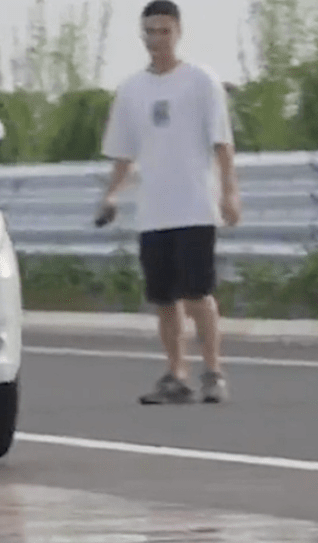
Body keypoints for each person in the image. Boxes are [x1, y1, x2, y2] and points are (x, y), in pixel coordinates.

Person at [97, 0, 241, 404]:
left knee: (198, 293)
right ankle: (176, 374)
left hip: (194, 204)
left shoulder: (200, 80)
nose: (156, 39)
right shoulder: (131, 89)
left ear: (178, 33)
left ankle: (213, 371)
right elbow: (123, 153)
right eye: (150, 32)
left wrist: (230, 191)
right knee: (163, 299)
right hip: (153, 210)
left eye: (164, 31)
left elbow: (222, 142)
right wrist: (111, 193)